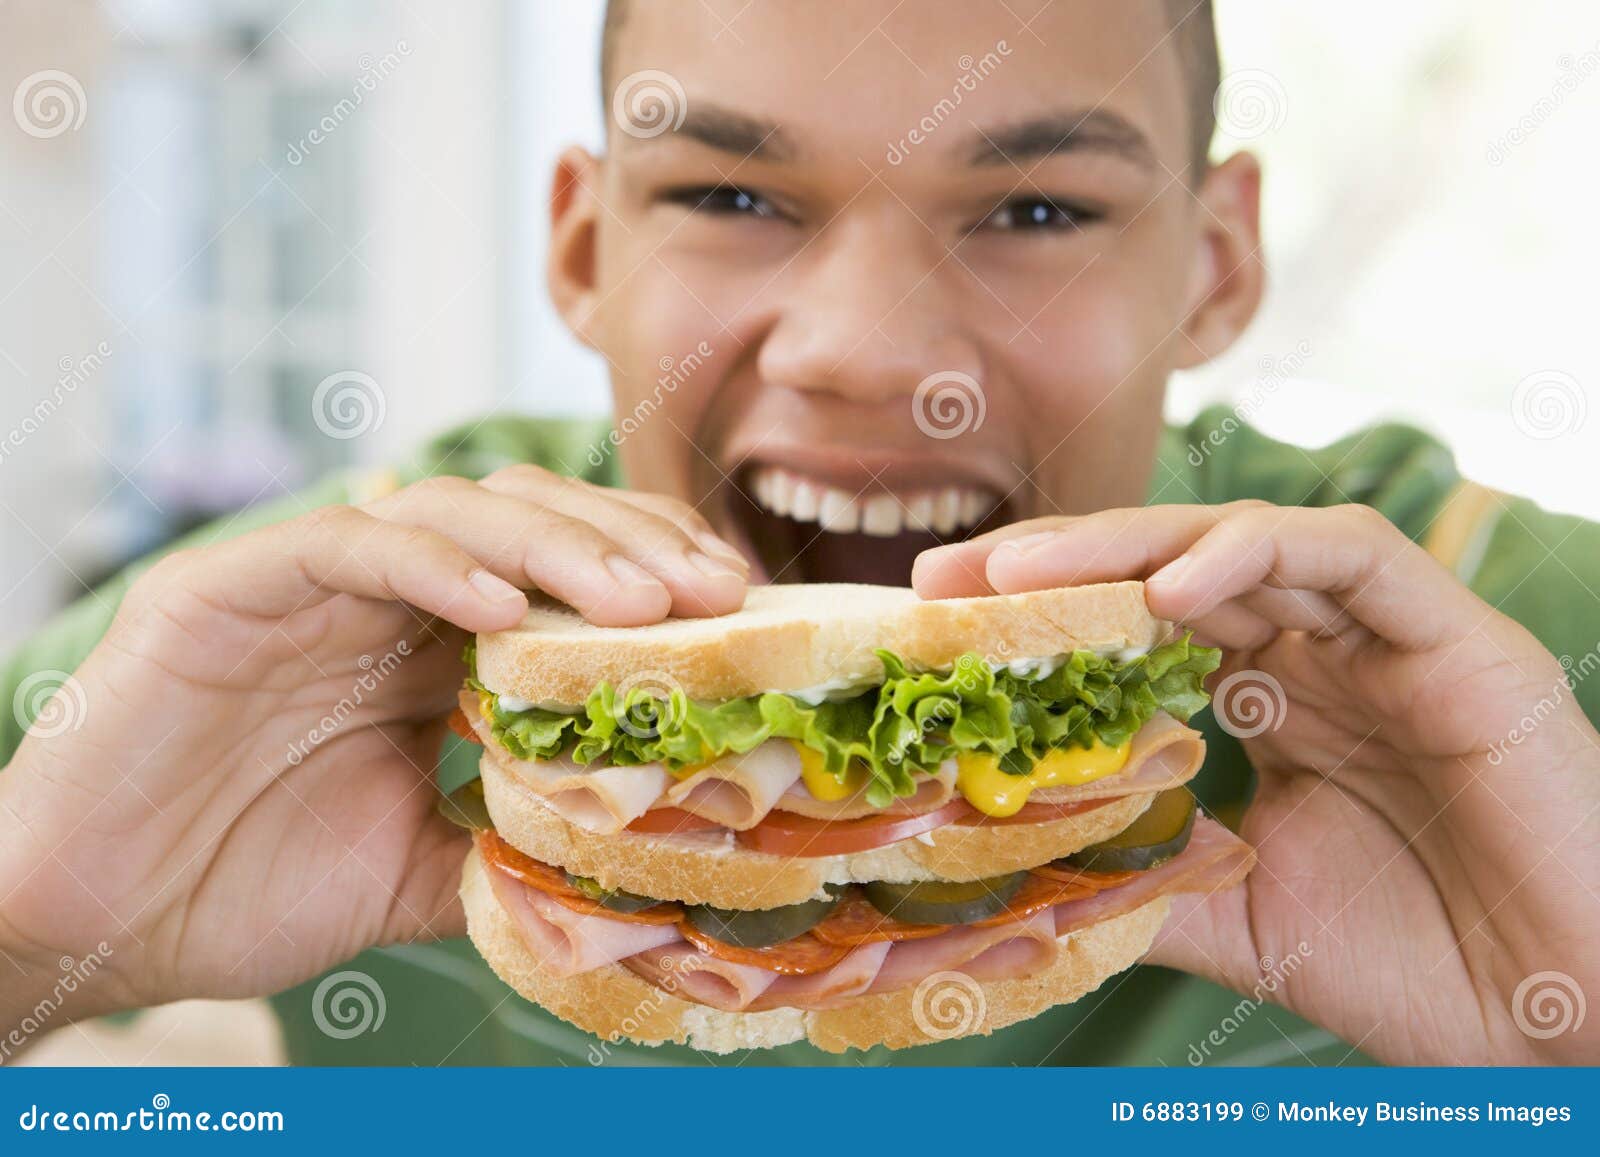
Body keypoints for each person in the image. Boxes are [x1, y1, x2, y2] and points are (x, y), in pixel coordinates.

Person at [2, 0, 1596, 1067]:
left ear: (1217, 265)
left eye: (1037, 211)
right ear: (581, 245)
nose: (865, 350)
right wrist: (28, 947)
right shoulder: (278, 653)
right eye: (733, 197)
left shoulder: (1501, 649)